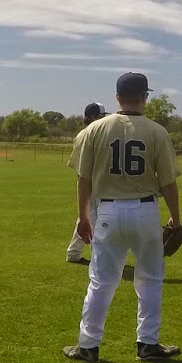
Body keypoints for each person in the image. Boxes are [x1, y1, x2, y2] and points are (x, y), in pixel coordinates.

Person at [64, 73, 182, 363]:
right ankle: (147, 344)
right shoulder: (157, 131)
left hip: (108, 211)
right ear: (145, 97)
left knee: (101, 281)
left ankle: (88, 346)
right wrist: (176, 220)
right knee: (151, 279)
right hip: (145, 211)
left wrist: (82, 216)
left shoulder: (93, 130)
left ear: (117, 97)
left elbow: (83, 179)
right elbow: (168, 182)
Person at [65, 102, 107, 264]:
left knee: (85, 219)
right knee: (95, 221)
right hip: (93, 183)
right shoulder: (90, 134)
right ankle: (100, 259)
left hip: (90, 182)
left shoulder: (88, 133)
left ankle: (74, 253)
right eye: (101, 116)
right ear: (92, 117)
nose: (104, 119)